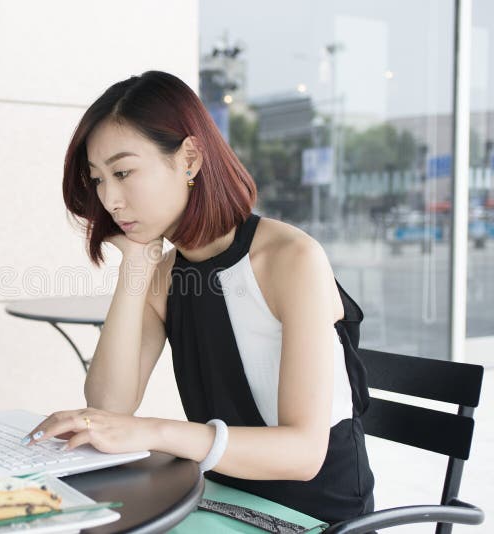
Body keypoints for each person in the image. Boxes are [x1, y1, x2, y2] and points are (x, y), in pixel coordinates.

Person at [23, 70, 374, 523]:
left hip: (314, 515)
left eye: (124, 172)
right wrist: (135, 263)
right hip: (216, 501)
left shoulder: (292, 259)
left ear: (189, 159)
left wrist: (155, 432)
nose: (109, 199)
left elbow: (304, 454)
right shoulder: (164, 274)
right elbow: (108, 408)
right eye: (98, 179)